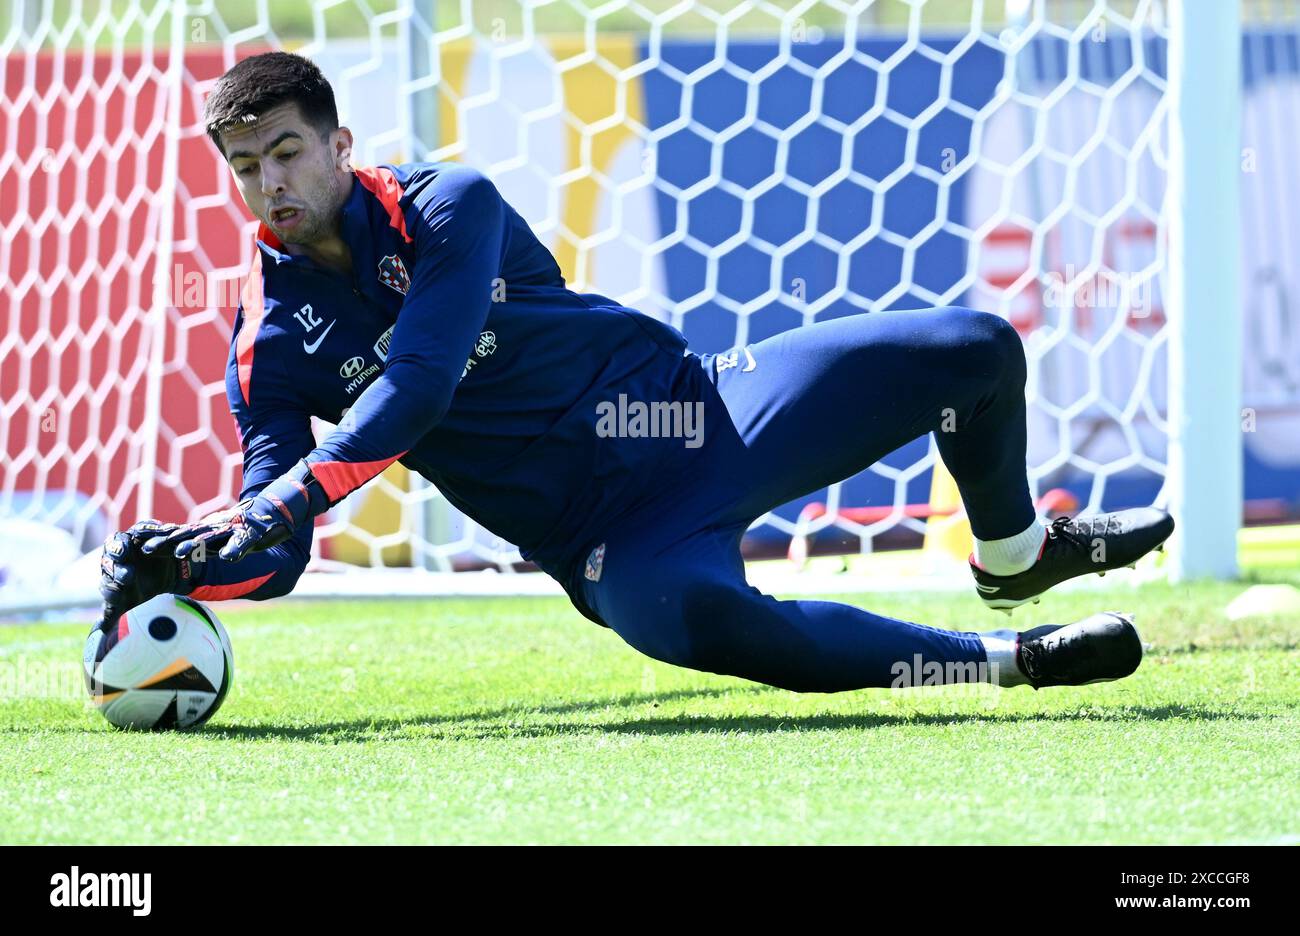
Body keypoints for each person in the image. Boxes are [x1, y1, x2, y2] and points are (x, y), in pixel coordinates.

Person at [97, 52, 1174, 693]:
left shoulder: (445, 205)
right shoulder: (269, 351)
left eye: (286, 152)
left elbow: (418, 384)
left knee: (972, 350)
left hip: (698, 412)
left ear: (338, 144)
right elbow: (274, 556)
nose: (268, 182)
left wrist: (277, 502)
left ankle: (1014, 553)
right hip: (606, 538)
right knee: (689, 625)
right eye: (245, 167)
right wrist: (193, 566)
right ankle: (1006, 657)